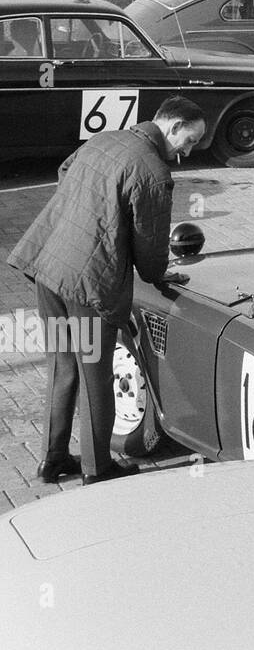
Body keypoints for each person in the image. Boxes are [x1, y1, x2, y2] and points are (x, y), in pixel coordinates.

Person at [7, 96, 207, 486]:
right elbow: (150, 250)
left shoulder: (103, 140)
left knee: (62, 366)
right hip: (90, 285)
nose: (190, 149)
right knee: (96, 375)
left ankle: (52, 459)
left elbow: (66, 171)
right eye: (191, 139)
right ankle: (97, 469)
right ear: (171, 126)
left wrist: (93, 210)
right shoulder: (152, 170)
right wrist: (158, 274)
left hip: (49, 268)